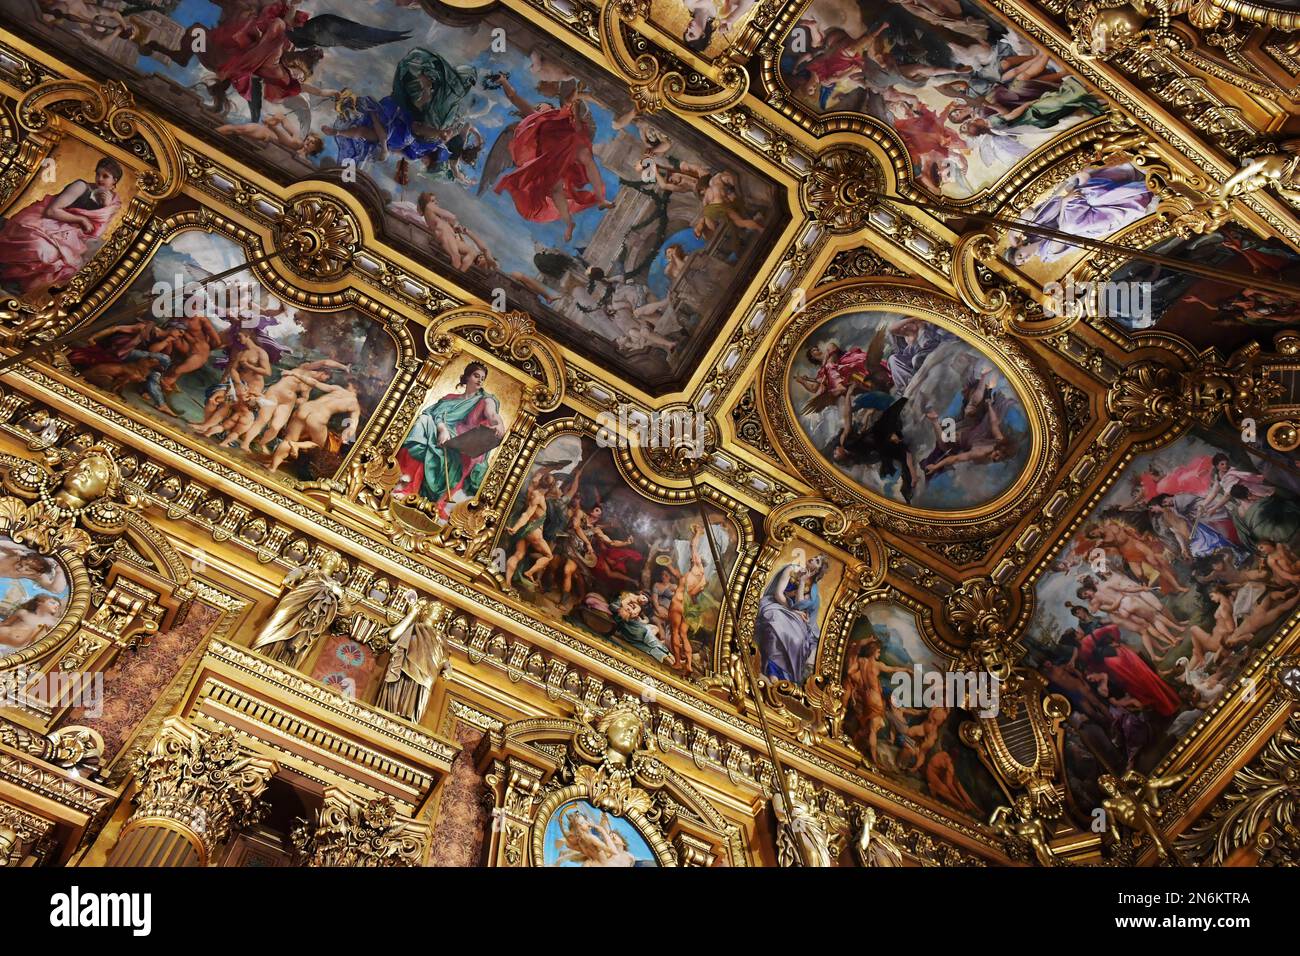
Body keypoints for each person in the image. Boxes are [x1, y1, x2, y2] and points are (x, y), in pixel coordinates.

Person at [0, 157, 123, 295]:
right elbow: (52, 211)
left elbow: (94, 232)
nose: (99, 179)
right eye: (97, 174)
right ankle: (10, 278)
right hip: (43, 222)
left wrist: (104, 206)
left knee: (68, 268)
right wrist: (81, 219)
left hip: (70, 235)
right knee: (44, 252)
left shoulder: (114, 204)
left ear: (115, 180)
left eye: (105, 176)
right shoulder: (81, 186)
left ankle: (22, 288)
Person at [395, 361, 504, 510]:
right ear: (467, 377)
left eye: (482, 378)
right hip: (443, 432)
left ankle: (412, 489)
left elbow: (492, 414)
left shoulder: (485, 399)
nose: (480, 380)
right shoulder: (450, 398)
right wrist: (442, 429)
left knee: (434, 446)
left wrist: (499, 424)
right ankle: (406, 481)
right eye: (476, 376)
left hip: (464, 441)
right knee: (423, 421)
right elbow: (432, 413)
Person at [269, 379, 362, 471]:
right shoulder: (355, 405)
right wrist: (347, 435)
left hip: (305, 408)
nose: (346, 386)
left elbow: (315, 383)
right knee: (318, 445)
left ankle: (272, 468)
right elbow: (352, 425)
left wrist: (296, 375)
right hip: (318, 417)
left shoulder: (337, 389)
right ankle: (296, 445)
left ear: (355, 388)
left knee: (287, 440)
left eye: (349, 385)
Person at [0, 595, 64, 653]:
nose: (56, 606)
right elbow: (5, 623)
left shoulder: (50, 622)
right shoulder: (23, 612)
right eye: (52, 603)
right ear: (39, 602)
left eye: (58, 606)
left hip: (15, 647)